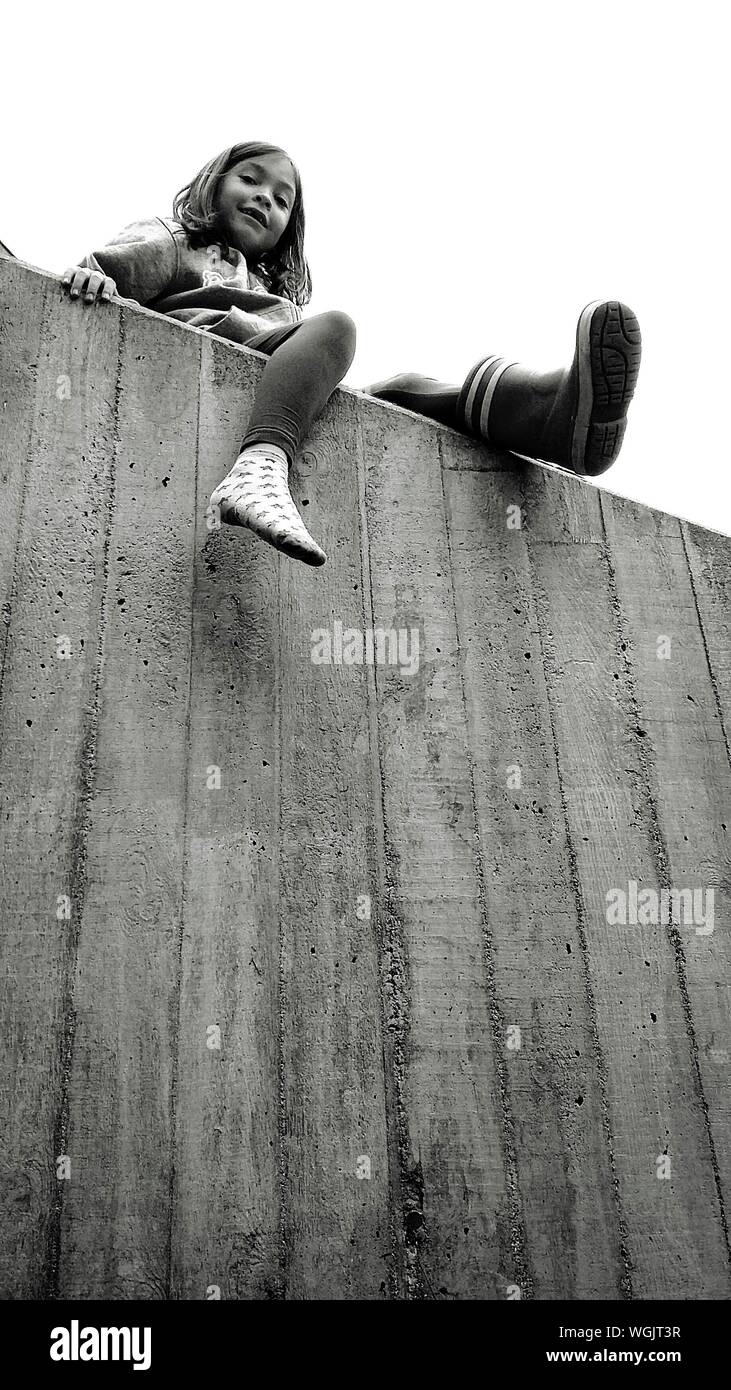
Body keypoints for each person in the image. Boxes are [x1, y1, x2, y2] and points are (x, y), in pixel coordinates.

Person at [62, 140, 641, 568]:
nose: (265, 197)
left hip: (281, 367)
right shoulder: (178, 239)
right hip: (220, 345)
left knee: (400, 389)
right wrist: (97, 284)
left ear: (289, 228)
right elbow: (104, 273)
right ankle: (259, 468)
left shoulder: (272, 294)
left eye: (282, 199)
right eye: (250, 180)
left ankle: (550, 418)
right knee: (336, 327)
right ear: (213, 183)